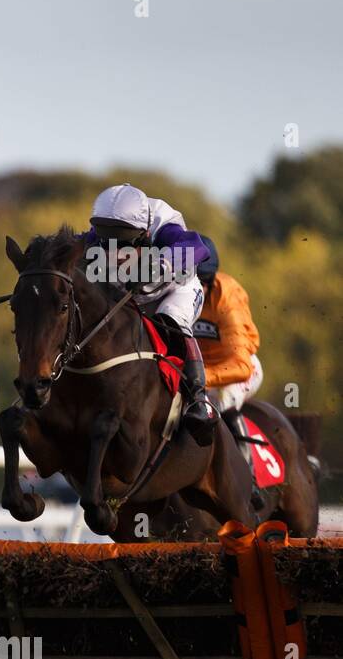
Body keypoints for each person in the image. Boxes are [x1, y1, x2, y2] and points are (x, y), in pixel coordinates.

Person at [84, 183, 218, 444]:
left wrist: (159, 264)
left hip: (175, 290)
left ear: (145, 233)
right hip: (132, 295)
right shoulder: (99, 231)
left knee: (172, 317)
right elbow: (72, 246)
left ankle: (199, 400)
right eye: (106, 240)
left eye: (122, 241)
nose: (113, 251)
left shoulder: (162, 222)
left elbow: (198, 247)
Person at [194, 234, 266, 507]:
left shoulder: (227, 296)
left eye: (196, 282)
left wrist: (199, 379)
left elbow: (240, 366)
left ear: (209, 279)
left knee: (220, 403)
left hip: (239, 372)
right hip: (199, 372)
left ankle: (250, 477)